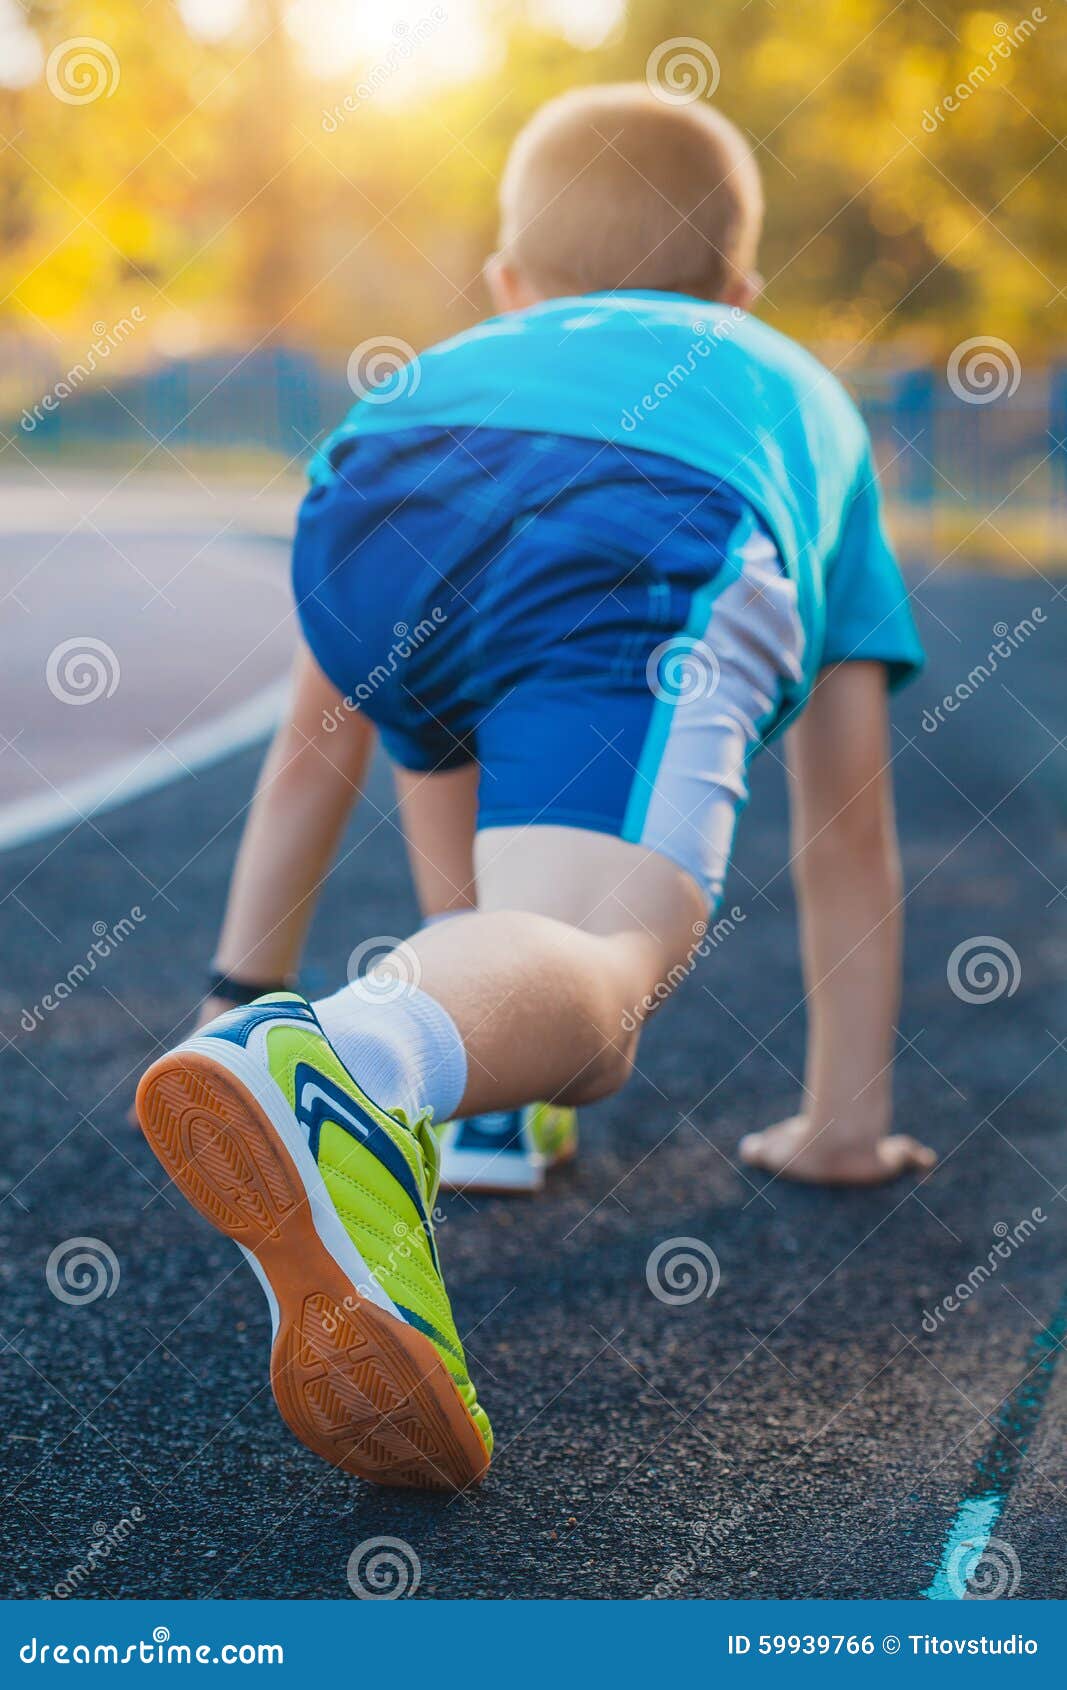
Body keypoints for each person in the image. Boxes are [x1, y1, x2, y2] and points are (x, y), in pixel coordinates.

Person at [136, 84, 933, 1493]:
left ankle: (463, 1093)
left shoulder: (466, 355)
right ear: (739, 293)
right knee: (605, 970)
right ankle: (370, 1065)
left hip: (372, 491)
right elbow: (847, 831)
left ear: (510, 282)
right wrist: (843, 1125)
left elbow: (315, 742)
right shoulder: (781, 388)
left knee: (443, 751)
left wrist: (229, 984)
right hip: (648, 509)